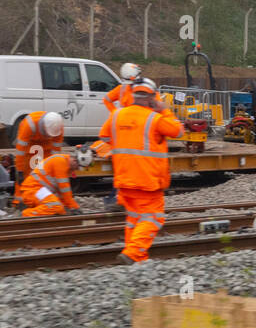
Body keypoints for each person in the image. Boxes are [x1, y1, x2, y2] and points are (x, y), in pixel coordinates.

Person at [108, 79, 183, 263]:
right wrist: (163, 109)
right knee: (154, 218)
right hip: (147, 181)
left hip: (124, 179)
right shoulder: (155, 119)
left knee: (133, 218)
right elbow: (178, 131)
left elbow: (104, 135)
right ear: (151, 97)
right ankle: (132, 253)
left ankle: (138, 257)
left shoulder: (117, 115)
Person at [17, 147, 92, 217]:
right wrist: (74, 207)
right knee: (56, 206)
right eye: (78, 167)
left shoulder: (64, 164)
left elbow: (61, 193)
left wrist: (68, 207)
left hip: (38, 190)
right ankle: (26, 213)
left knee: (61, 209)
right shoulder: (60, 162)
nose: (77, 169)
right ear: (75, 161)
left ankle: (30, 206)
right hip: (33, 190)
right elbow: (64, 190)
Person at [13, 111, 65, 187]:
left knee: (45, 172)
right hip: (30, 144)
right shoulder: (29, 125)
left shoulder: (58, 128)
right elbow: (20, 151)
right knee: (27, 173)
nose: (48, 135)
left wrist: (54, 168)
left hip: (47, 146)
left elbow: (56, 151)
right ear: (44, 126)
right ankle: (23, 195)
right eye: (48, 133)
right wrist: (19, 170)